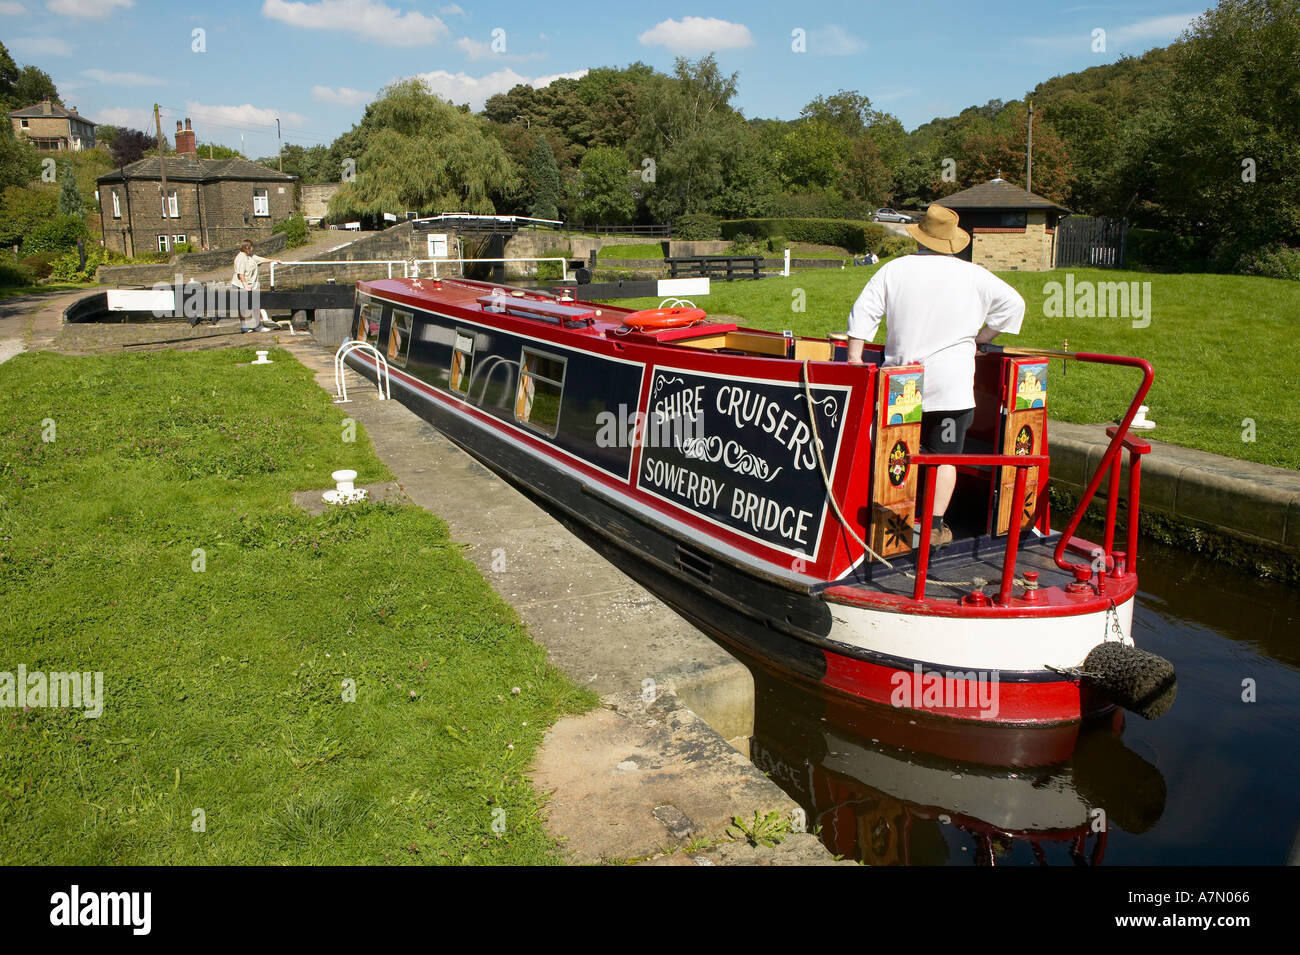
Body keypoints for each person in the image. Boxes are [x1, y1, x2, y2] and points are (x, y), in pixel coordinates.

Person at [845, 204, 1025, 548]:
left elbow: (864, 311)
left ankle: (890, 524)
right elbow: (1014, 305)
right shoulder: (975, 275)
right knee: (945, 457)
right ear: (952, 242)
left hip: (903, 381)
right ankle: (934, 527)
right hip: (952, 384)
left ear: (920, 238)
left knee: (896, 451)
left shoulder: (895, 270)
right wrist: (981, 338)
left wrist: (855, 358)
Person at [232, 239, 280, 332]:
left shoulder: (250, 256)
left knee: (256, 305)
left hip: (251, 285)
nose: (253, 248)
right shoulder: (241, 258)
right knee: (243, 307)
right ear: (247, 248)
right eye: (251, 247)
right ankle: (244, 326)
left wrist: (274, 260)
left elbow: (261, 259)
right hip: (241, 285)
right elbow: (240, 274)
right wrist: (245, 285)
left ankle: (257, 325)